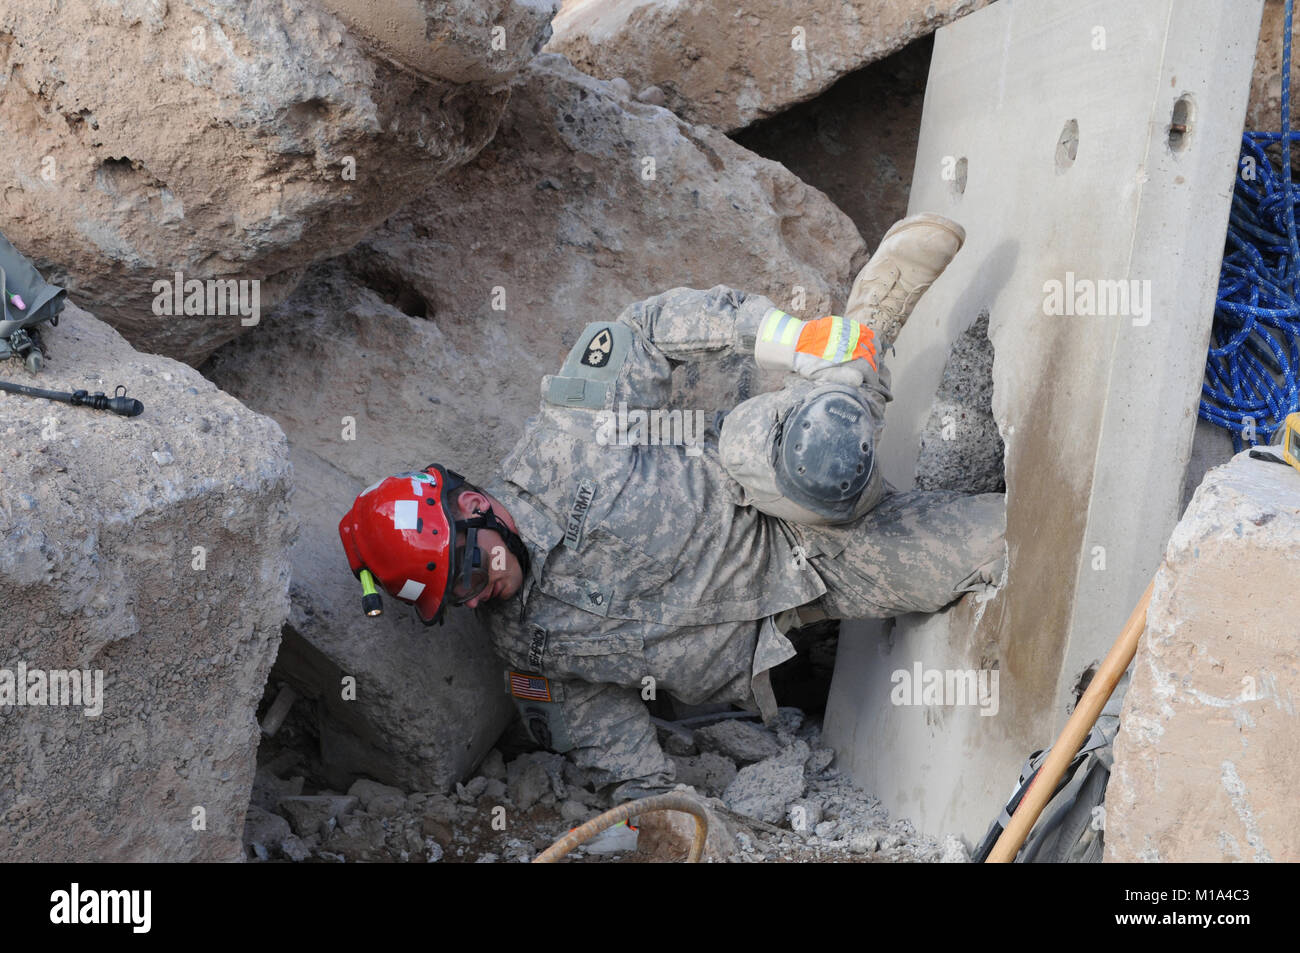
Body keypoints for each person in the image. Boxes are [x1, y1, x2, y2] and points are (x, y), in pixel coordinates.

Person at [338, 213, 1006, 801]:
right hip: (812, 590)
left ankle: (860, 334)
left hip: (763, 479)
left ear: (475, 506)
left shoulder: (567, 439)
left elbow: (649, 328)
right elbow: (591, 715)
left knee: (822, 457)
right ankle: (850, 378)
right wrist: (649, 799)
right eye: (459, 596)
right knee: (1005, 549)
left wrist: (785, 337)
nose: (481, 592)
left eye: (471, 570)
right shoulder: (524, 640)